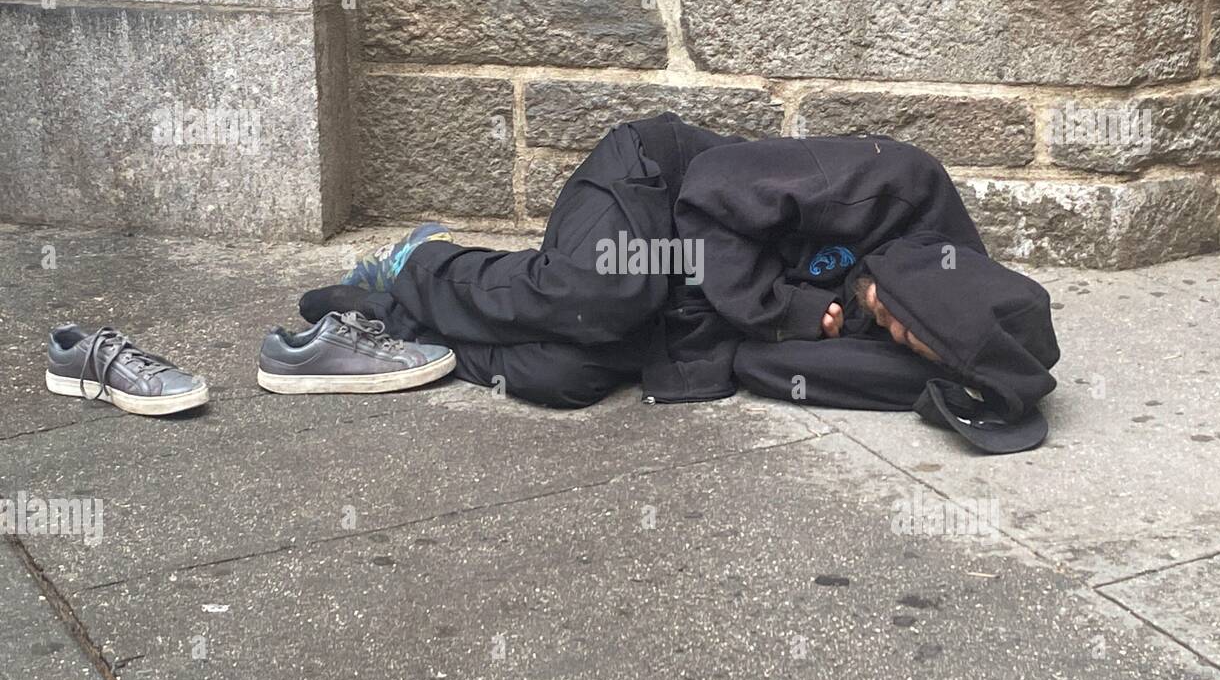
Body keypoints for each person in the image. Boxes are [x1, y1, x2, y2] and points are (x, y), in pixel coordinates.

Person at [295, 112, 1061, 453]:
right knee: (605, 291)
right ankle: (423, 262)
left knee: (565, 373)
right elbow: (718, 184)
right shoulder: (901, 183)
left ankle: (392, 321)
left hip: (695, 296)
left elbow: (761, 365)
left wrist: (838, 343)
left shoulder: (917, 345)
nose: (896, 336)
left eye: (915, 349)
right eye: (911, 322)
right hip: (657, 184)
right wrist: (789, 304)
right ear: (939, 286)